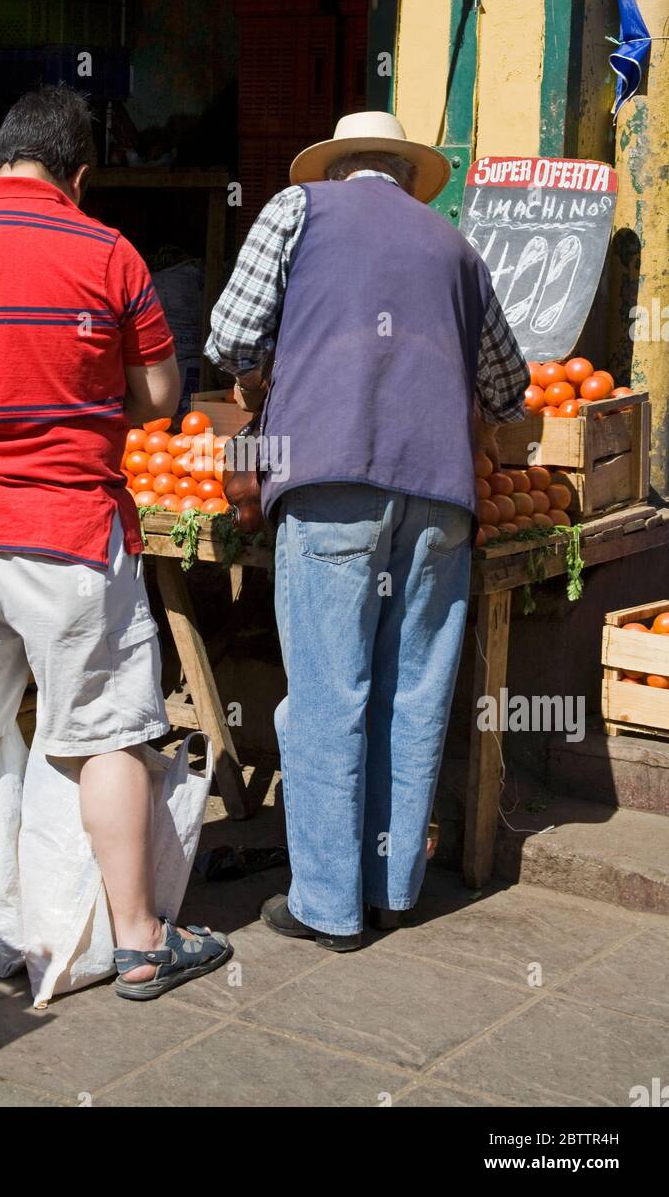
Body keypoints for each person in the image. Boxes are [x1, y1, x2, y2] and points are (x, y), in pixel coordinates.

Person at [0, 85, 230, 999]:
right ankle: (141, 941)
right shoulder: (107, 252)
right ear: (79, 175)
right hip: (68, 534)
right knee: (103, 737)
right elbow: (155, 397)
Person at [206, 112, 529, 950]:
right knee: (412, 693)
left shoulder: (295, 209)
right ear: (406, 176)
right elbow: (508, 388)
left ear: (338, 166)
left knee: (327, 693)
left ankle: (326, 905)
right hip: (441, 500)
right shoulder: (454, 247)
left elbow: (231, 336)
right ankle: (391, 890)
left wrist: (269, 369)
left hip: (331, 482)